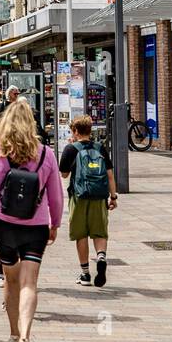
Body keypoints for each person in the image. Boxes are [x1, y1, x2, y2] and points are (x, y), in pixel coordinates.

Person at [0, 98, 64, 342]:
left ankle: (14, 334)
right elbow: (56, 195)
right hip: (35, 226)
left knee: (10, 281)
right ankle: (26, 336)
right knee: (29, 284)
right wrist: (55, 223)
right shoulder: (45, 153)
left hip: (3, 225)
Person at [58, 114, 117, 287]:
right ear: (89, 131)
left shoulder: (71, 149)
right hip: (99, 197)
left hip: (79, 196)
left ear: (75, 131)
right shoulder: (100, 148)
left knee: (81, 234)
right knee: (100, 232)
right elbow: (110, 175)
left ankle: (85, 274)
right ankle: (101, 256)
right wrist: (113, 197)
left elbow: (64, 174)